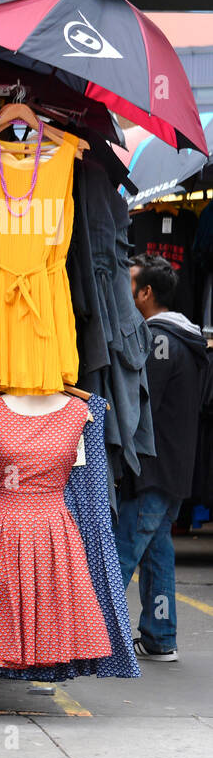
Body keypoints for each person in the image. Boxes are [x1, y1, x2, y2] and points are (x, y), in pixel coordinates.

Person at [117, 254, 210, 662]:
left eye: (129, 283)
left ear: (145, 293)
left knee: (122, 554)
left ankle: (93, 638)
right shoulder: (188, 340)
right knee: (157, 554)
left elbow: (140, 406)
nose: (123, 290)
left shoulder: (157, 340)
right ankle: (160, 637)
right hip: (173, 470)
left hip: (152, 470)